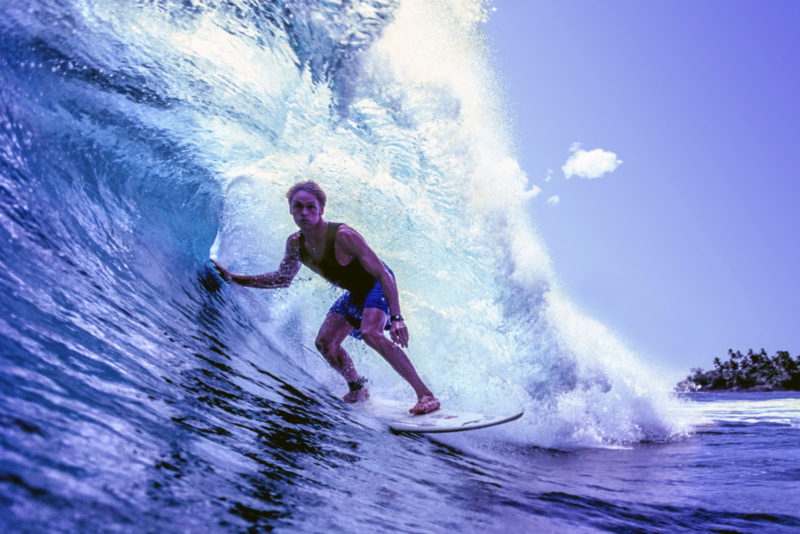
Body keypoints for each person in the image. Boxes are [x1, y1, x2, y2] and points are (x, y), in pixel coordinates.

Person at [212, 181, 440, 415]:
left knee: (370, 332)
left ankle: (426, 395)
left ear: (321, 209)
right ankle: (358, 388)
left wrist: (398, 318)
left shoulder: (344, 236)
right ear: (290, 209)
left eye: (311, 207)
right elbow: (282, 278)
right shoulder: (295, 244)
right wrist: (236, 279)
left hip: (377, 285)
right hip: (356, 294)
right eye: (298, 206)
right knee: (325, 343)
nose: (304, 212)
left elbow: (383, 274)